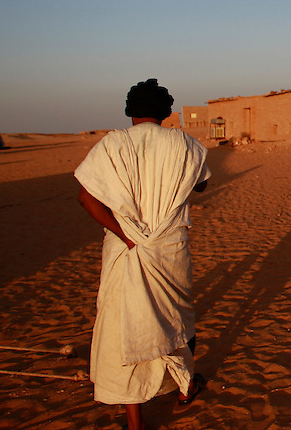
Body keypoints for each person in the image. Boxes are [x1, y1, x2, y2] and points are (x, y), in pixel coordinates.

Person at [75, 79, 211, 430]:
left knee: (123, 328)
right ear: (166, 113)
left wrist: (127, 235)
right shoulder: (184, 143)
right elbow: (202, 182)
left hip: (124, 249)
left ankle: (135, 422)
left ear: (129, 111)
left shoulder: (112, 145)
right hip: (169, 249)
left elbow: (87, 199)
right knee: (177, 318)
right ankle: (184, 388)